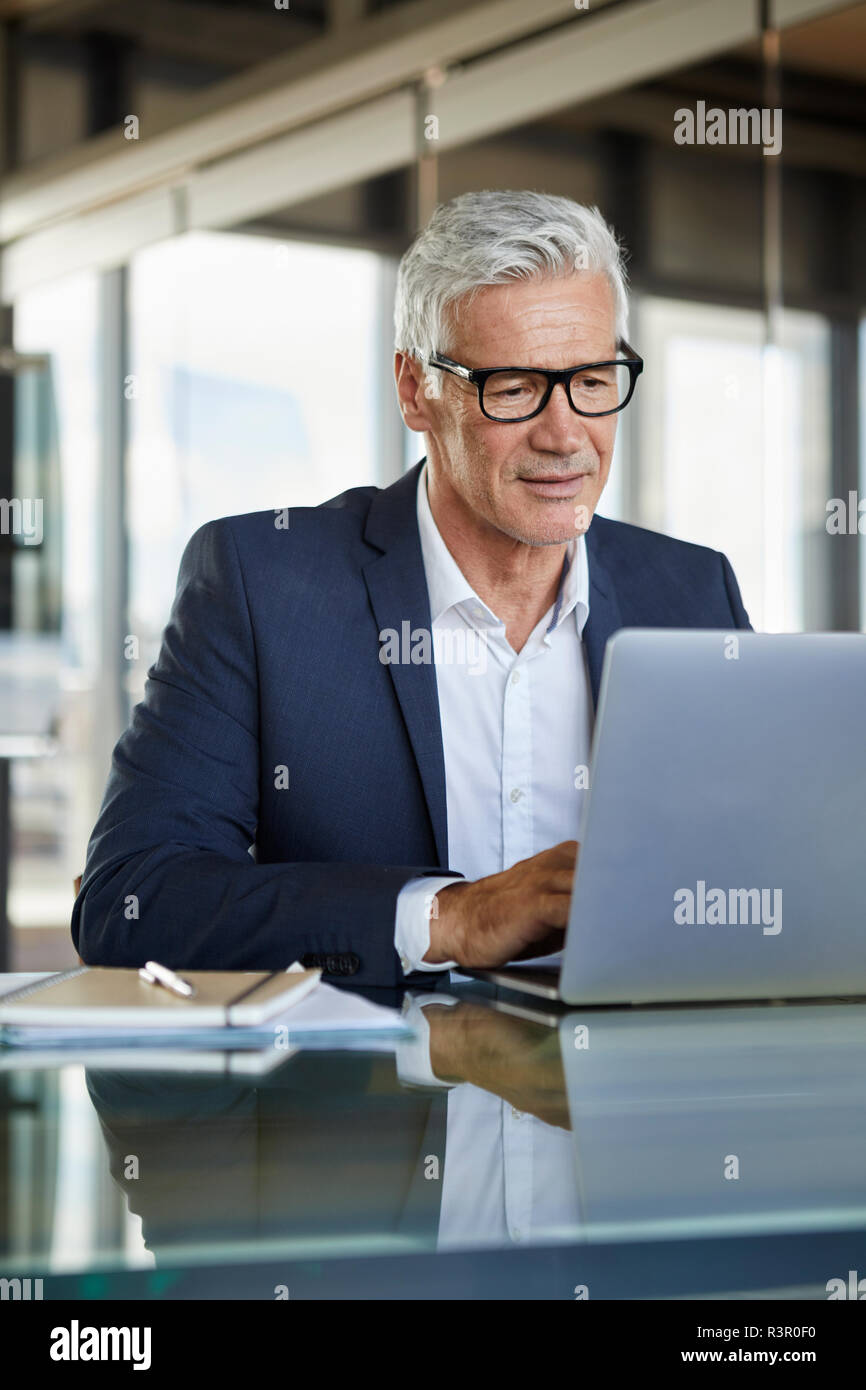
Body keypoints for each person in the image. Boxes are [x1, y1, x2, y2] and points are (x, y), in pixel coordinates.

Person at [72, 189, 751, 985]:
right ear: (414, 389)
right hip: (372, 1102)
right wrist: (447, 919)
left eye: (594, 380)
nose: (567, 434)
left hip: (629, 1093)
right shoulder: (263, 585)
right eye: (515, 387)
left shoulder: (693, 591)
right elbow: (134, 899)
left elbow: (760, 879)